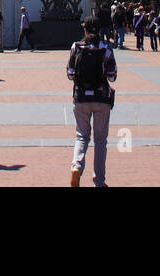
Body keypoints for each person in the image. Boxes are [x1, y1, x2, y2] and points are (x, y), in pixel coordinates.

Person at [67, 15, 117, 188]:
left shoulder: (77, 47)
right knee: (101, 140)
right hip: (101, 97)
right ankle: (99, 181)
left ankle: (77, 167)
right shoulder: (106, 48)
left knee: (81, 136)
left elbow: (70, 74)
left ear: (85, 30)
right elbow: (112, 76)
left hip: (81, 97)